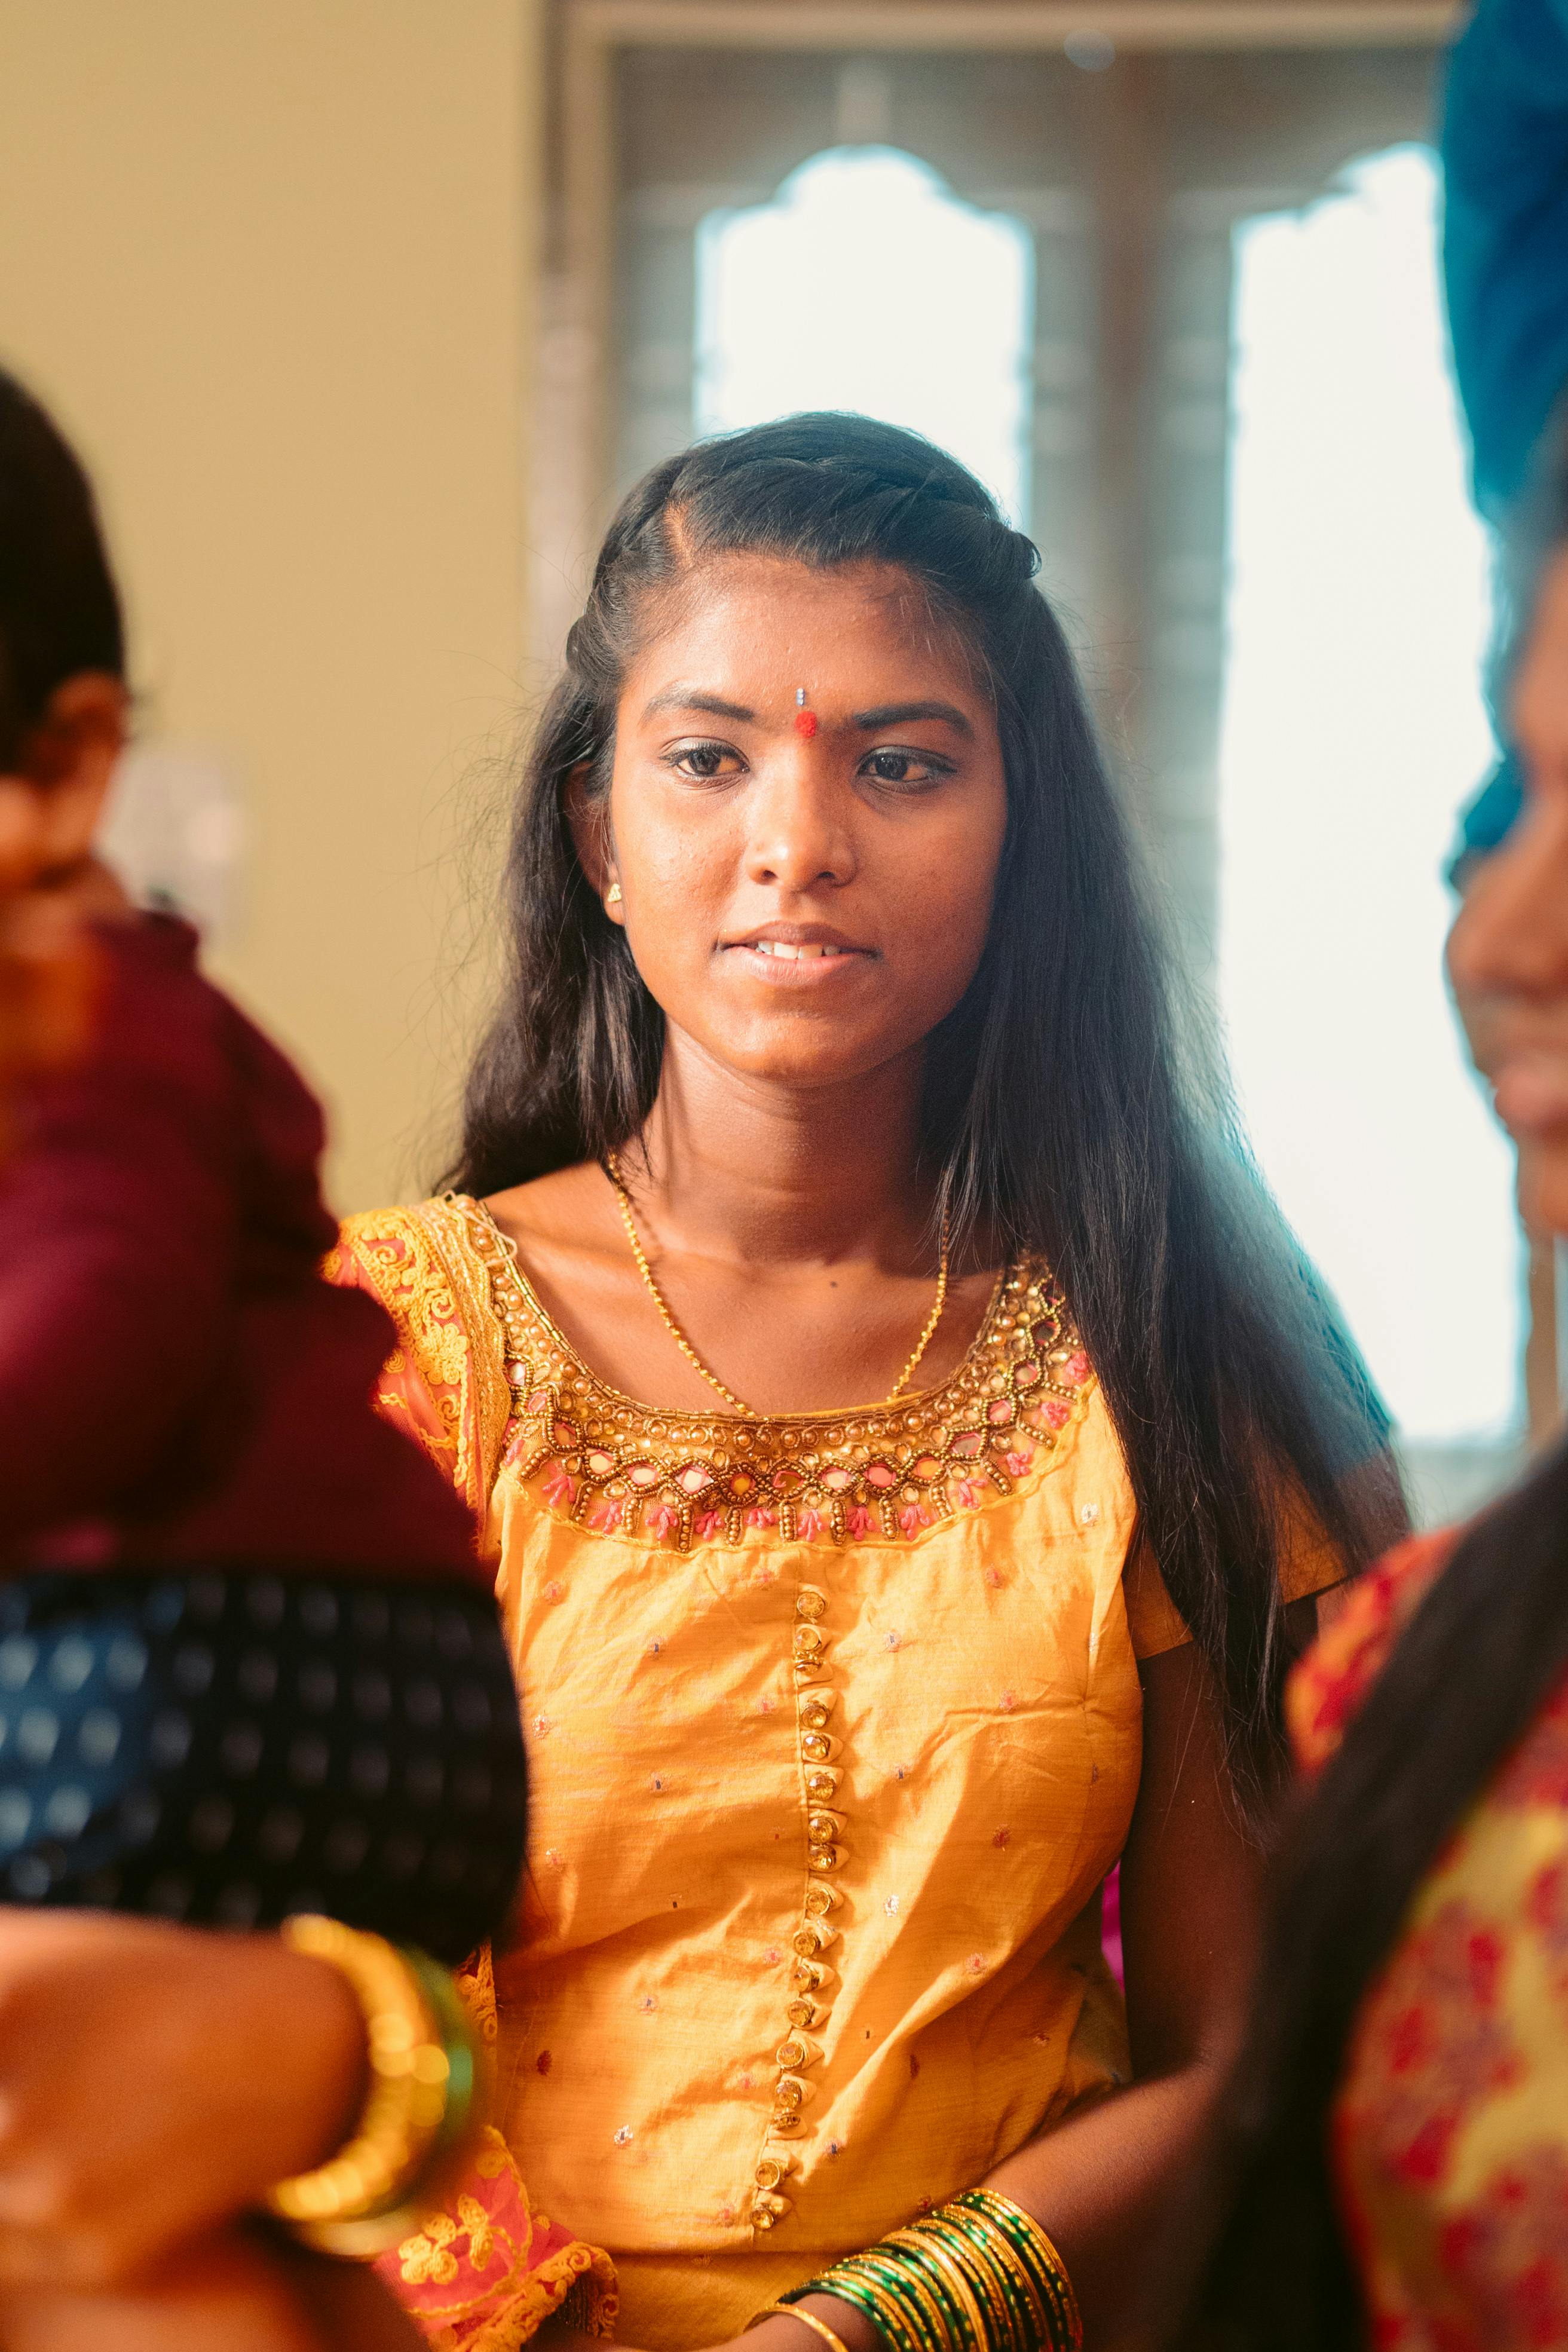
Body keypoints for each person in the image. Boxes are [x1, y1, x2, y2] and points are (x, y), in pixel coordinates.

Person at [330, 412, 1405, 2352]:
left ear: (1020, 831)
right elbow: (316, 2000)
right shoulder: (389, 1349)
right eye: (709, 758)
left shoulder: (1162, 1345)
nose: (799, 844)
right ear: (599, 832)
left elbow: (1233, 2061)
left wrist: (864, 2336)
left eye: (902, 765)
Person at [0, 370, 588, 2352]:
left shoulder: (89, 1026)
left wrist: (319, 2064)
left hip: (225, 1670)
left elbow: (112, 1319)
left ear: (62, 771)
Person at [1181, 422, 1568, 2348]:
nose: (1498, 941)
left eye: (908, 760)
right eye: (1517, 806)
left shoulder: (1169, 1363)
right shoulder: (1439, 1666)